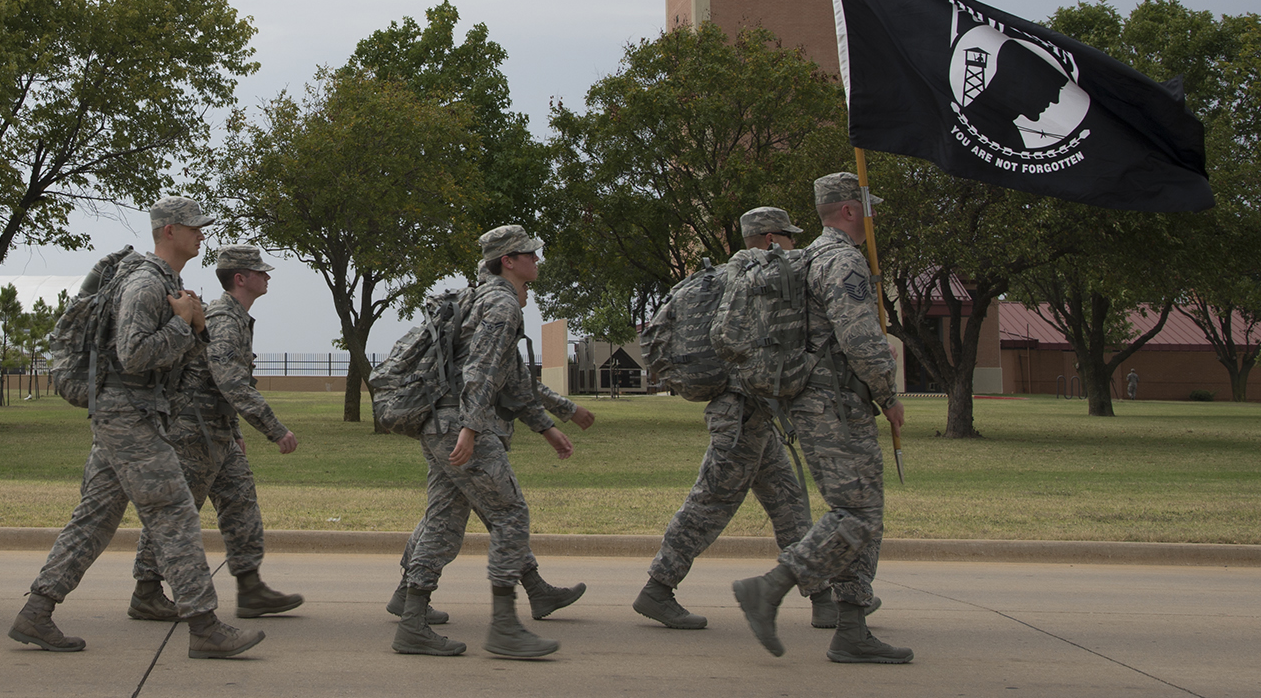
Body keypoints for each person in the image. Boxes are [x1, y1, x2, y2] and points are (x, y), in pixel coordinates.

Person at [9, 196, 261, 660]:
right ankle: (204, 627)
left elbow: (170, 360)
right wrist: (185, 326)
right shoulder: (146, 283)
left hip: (131, 413)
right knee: (175, 513)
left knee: (97, 517)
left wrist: (198, 328)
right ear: (169, 231)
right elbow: (135, 354)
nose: (201, 233)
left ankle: (36, 612)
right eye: (193, 227)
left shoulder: (169, 282)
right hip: (128, 416)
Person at [634, 206, 847, 632]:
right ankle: (658, 587)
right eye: (788, 236)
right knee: (710, 502)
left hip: (753, 413)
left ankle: (823, 597)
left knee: (788, 502)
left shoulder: (722, 277)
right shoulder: (762, 276)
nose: (793, 244)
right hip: (740, 414)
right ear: (770, 238)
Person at [731, 174, 912, 665]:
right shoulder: (841, 260)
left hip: (822, 399)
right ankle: (770, 588)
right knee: (856, 512)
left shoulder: (808, 255)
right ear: (851, 211)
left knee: (863, 513)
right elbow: (860, 337)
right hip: (833, 402)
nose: (874, 218)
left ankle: (852, 629)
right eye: (869, 208)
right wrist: (888, 393)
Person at [392, 224, 577, 660]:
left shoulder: (477, 297)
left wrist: (549, 426)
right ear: (507, 261)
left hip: (441, 423)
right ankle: (505, 627)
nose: (536, 260)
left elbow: (510, 378)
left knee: (443, 519)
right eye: (528, 254)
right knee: (511, 514)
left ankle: (412, 621)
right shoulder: (500, 302)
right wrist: (472, 430)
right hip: (463, 424)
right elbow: (482, 370)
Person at [128, 243, 302, 622]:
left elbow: (217, 380)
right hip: (192, 432)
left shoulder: (237, 317)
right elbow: (231, 381)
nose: (267, 276)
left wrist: (235, 427)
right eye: (260, 271)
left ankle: (250, 586)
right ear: (241, 279)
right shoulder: (224, 318)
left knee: (241, 503)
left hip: (217, 431)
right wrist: (274, 430)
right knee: (177, 512)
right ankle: (146, 590)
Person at [388, 382, 594, 626]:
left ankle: (407, 594)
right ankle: (418, 609)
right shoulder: (484, 342)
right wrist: (563, 412)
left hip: (442, 425)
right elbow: (512, 378)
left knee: (445, 512)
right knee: (498, 512)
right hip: (467, 429)